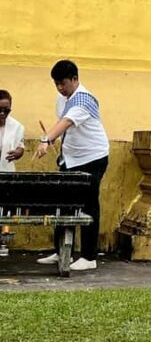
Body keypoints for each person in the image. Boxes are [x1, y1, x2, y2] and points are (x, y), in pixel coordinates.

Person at [34, 59, 109, 272]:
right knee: (63, 203)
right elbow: (62, 124)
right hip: (71, 158)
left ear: (75, 80)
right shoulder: (62, 98)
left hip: (93, 158)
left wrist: (46, 140)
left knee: (88, 205)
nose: (60, 88)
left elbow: (66, 122)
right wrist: (53, 139)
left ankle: (89, 256)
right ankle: (61, 251)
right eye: (56, 84)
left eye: (63, 83)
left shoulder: (84, 100)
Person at [0, 90, 25, 172]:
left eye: (6, 110)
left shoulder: (17, 127)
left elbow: (20, 147)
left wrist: (18, 153)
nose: (2, 113)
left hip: (6, 171)